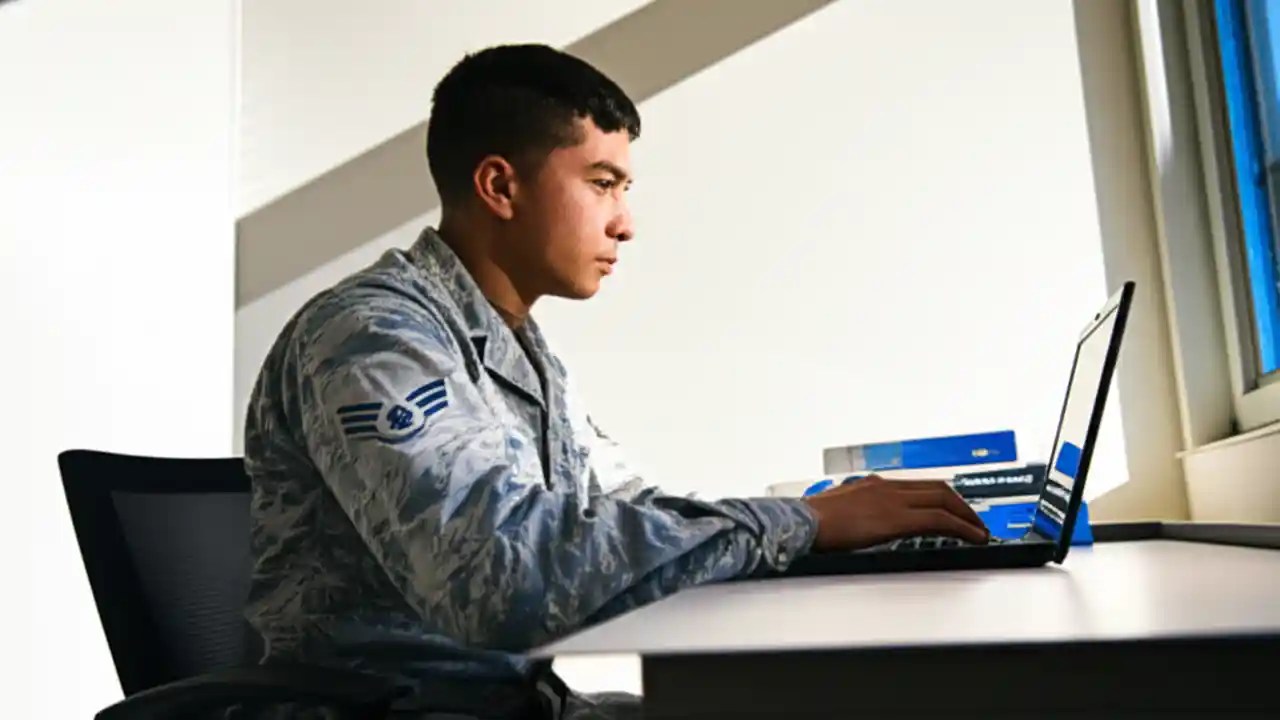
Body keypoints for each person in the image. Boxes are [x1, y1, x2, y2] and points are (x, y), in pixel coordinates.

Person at [242, 43, 990, 720]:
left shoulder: (520, 353)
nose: (625, 222)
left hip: (504, 703)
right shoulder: (373, 336)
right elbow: (497, 577)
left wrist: (840, 528)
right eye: (603, 184)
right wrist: (799, 525)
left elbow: (622, 512)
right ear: (501, 186)